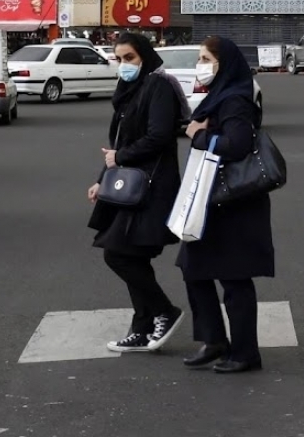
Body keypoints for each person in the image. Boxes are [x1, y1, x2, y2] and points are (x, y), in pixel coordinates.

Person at [178, 36, 275, 374]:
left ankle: (246, 353)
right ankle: (215, 340)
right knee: (194, 269)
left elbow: (237, 145)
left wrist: (199, 136)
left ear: (225, 62)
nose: (200, 65)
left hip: (233, 202)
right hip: (211, 198)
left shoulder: (235, 100)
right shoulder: (218, 95)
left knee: (234, 280)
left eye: (206, 59)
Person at [86, 32, 186, 353]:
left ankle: (164, 312)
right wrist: (103, 179)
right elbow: (120, 144)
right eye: (119, 59)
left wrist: (119, 160)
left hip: (151, 187)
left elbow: (159, 136)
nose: (124, 65)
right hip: (131, 185)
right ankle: (142, 328)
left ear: (145, 55)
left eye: (129, 58)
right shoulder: (131, 90)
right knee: (131, 256)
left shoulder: (157, 86)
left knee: (118, 253)